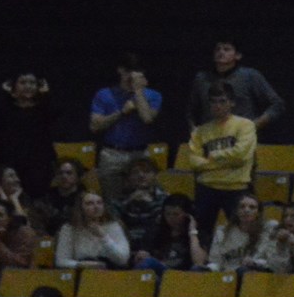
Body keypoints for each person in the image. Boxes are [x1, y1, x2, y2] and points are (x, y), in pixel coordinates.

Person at [183, 84, 257, 240]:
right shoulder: (200, 131)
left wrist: (213, 156)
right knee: (202, 233)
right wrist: (227, 161)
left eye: (222, 101)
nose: (217, 106)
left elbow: (241, 155)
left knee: (241, 233)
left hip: (237, 187)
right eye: (213, 102)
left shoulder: (245, 125)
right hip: (207, 188)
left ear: (232, 103)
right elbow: (194, 162)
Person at [89, 54, 160, 206]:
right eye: (128, 71)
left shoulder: (153, 95)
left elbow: (147, 118)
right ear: (120, 70)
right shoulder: (104, 94)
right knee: (112, 203)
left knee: (143, 200)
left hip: (140, 153)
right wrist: (122, 112)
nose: (131, 76)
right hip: (112, 154)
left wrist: (138, 92)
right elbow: (94, 126)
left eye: (137, 72)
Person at [0, 73, 57, 203]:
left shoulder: (43, 108)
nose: (28, 86)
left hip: (37, 165)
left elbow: (54, 113)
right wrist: (3, 93)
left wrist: (46, 95)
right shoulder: (5, 107)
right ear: (14, 86)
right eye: (23, 82)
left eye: (32, 83)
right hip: (7, 161)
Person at [188, 38, 285, 131]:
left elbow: (277, 104)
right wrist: (194, 129)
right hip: (210, 140)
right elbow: (191, 110)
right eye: (218, 49)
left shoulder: (249, 76)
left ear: (238, 55)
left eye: (226, 49)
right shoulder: (201, 78)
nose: (221, 53)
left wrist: (254, 126)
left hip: (242, 139)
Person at [132, 194, 207, 272]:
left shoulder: (198, 235)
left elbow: (199, 262)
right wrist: (142, 255)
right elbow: (143, 254)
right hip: (160, 273)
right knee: (148, 262)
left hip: (183, 276)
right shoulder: (156, 231)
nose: (171, 218)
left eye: (176, 214)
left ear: (187, 215)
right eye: (168, 214)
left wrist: (192, 232)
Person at [54, 192, 131, 269]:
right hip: (81, 270)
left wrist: (103, 236)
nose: (96, 206)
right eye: (89, 203)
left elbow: (122, 259)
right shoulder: (69, 229)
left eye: (99, 203)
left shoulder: (113, 226)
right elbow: (61, 261)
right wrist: (81, 264)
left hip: (109, 271)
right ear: (80, 208)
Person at [205, 194, 276, 272]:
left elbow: (272, 261)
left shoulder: (268, 230)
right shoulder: (222, 232)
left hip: (255, 272)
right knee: (197, 270)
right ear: (236, 211)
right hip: (227, 274)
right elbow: (215, 262)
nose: (246, 210)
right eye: (242, 207)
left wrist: (255, 262)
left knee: (243, 271)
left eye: (252, 207)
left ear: (258, 212)